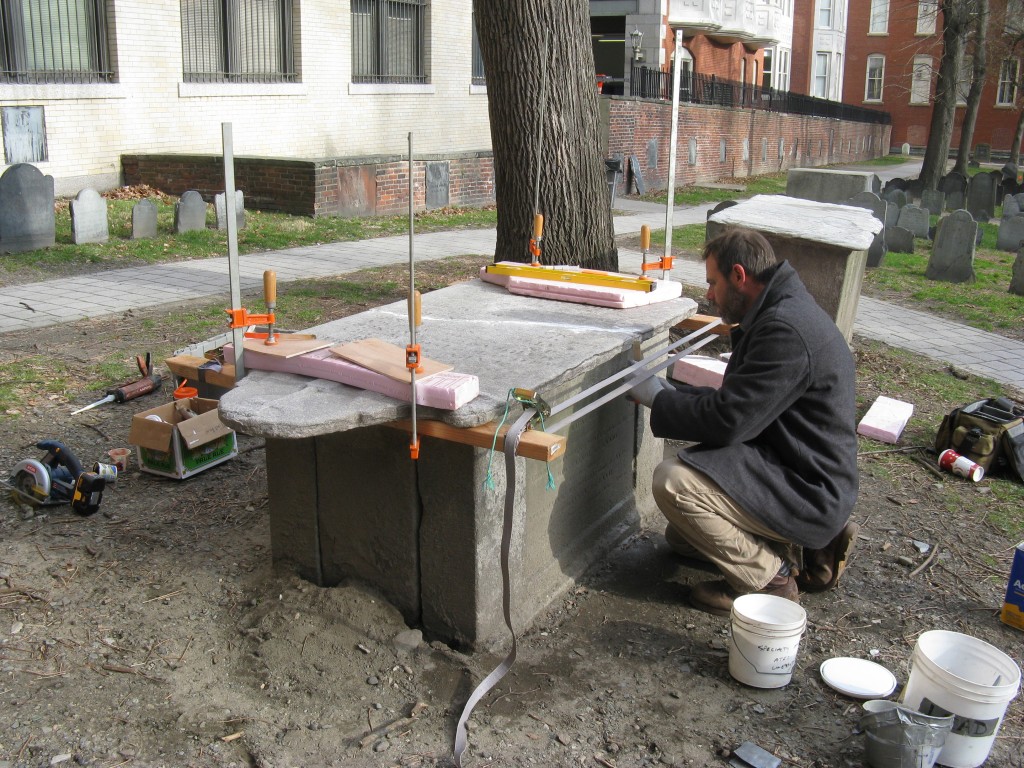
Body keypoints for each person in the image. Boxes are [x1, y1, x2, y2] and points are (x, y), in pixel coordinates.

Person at [627, 227, 860, 616]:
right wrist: (666, 393)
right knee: (683, 538)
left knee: (673, 484)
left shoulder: (785, 330)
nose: (710, 295)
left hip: (810, 489)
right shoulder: (778, 309)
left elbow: (729, 422)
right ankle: (806, 550)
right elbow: (736, 405)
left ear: (739, 275)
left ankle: (773, 581)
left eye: (713, 283)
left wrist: (656, 397)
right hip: (791, 464)